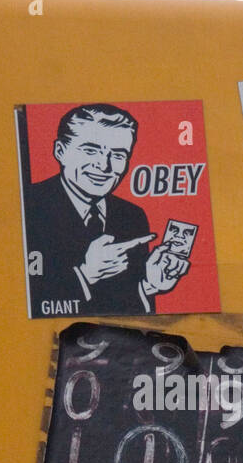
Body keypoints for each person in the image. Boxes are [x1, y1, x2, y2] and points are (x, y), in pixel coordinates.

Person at [19, 102, 190, 317]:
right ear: (60, 151)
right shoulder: (28, 207)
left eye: (118, 155)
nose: (104, 166)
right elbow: (12, 300)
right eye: (91, 150)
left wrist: (148, 285)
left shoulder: (132, 216)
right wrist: (85, 274)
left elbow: (126, 315)